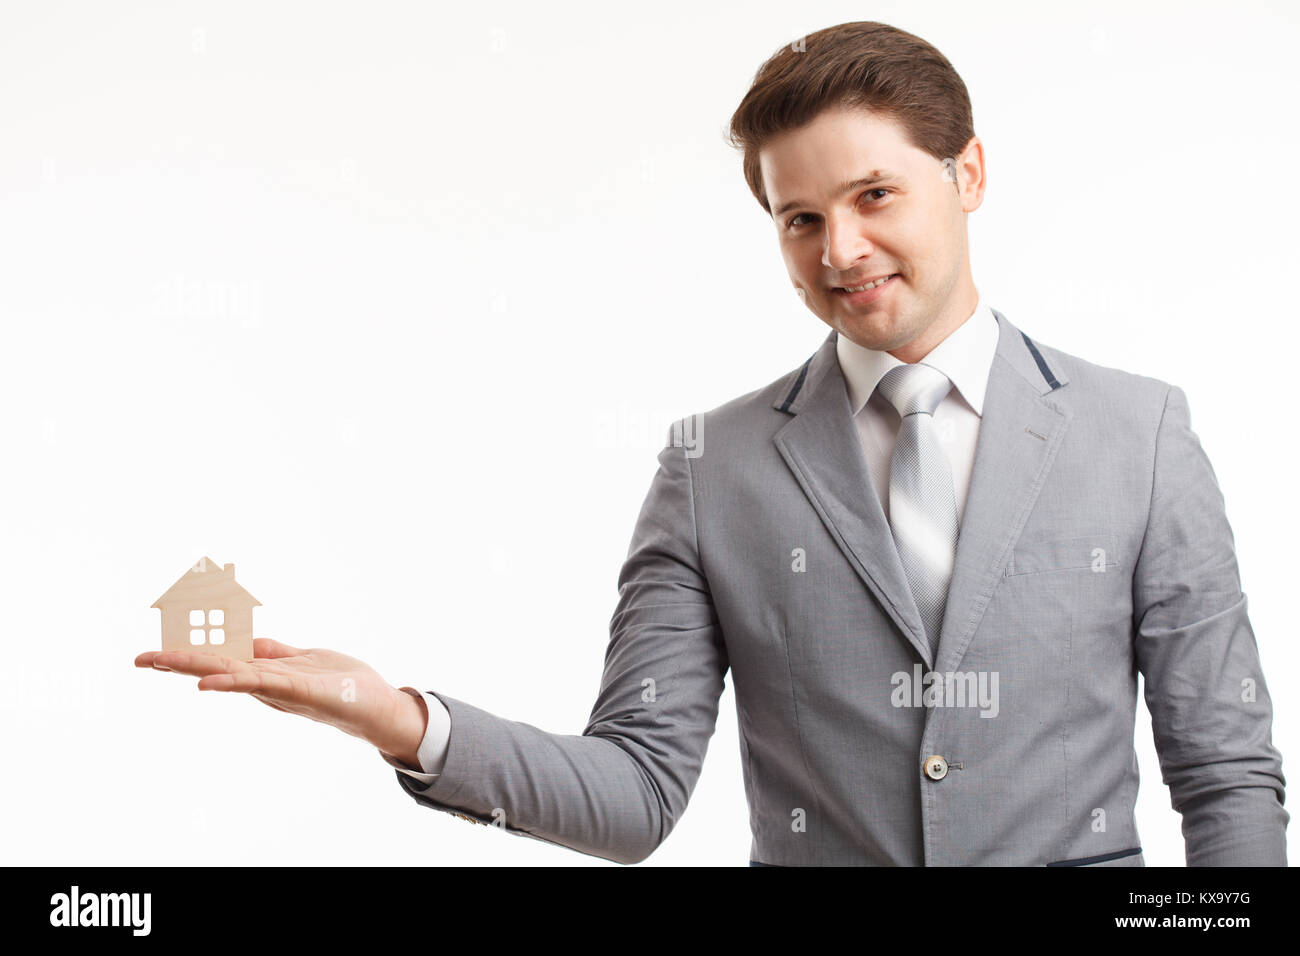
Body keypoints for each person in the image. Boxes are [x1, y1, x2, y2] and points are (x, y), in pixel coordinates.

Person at [136, 20, 1287, 866]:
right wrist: (401, 716)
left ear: (966, 172)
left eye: (874, 194)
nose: (839, 248)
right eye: (800, 218)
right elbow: (635, 788)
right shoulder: (711, 467)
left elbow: (1224, 772)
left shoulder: (1138, 433)